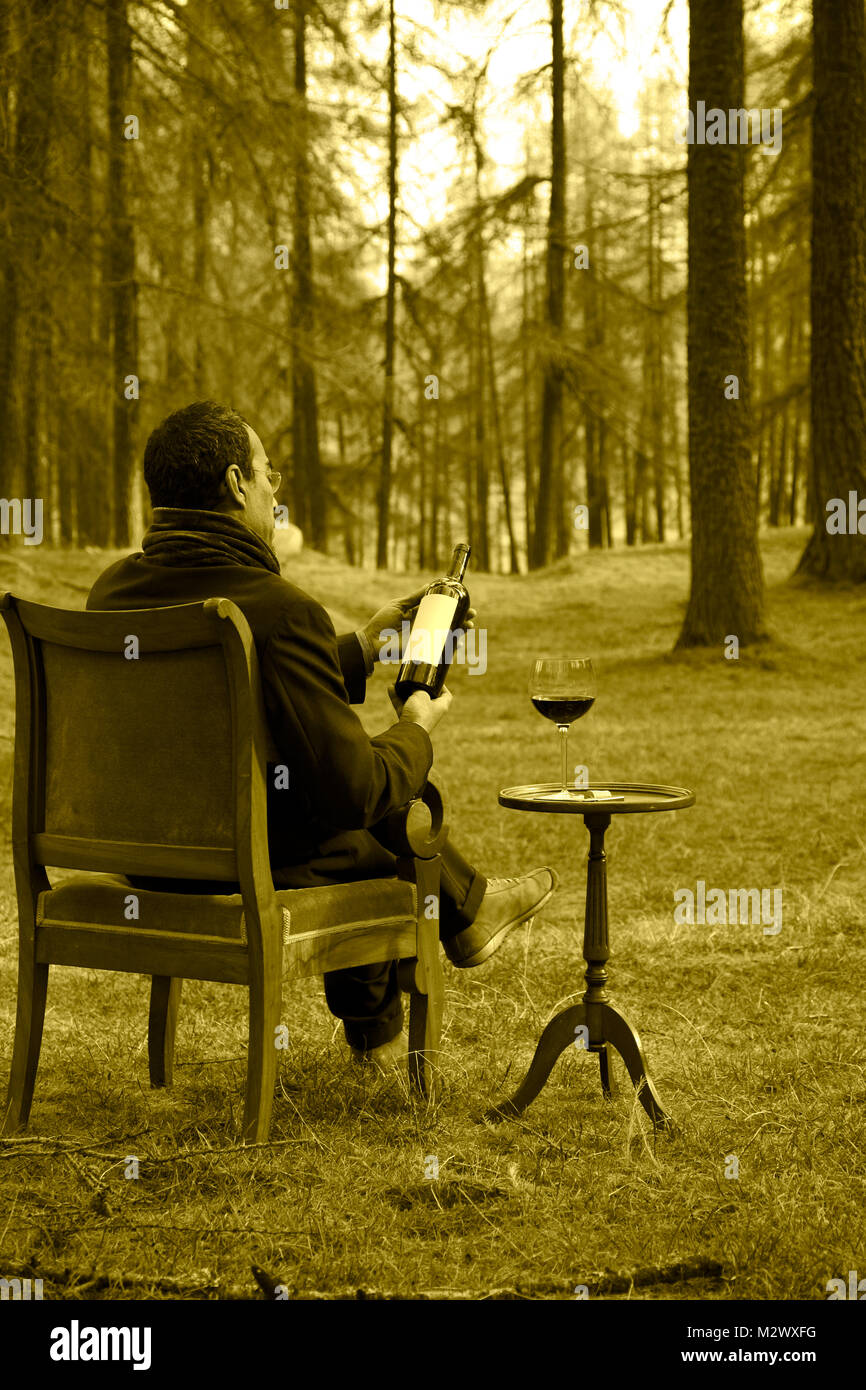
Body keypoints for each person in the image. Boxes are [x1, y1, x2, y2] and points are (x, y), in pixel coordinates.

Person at [87, 402, 558, 1068]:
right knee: (377, 832)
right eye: (269, 473)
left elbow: (240, 684)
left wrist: (365, 645)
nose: (278, 489)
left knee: (357, 818)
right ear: (236, 484)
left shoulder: (113, 594)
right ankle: (411, 992)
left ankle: (465, 920)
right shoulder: (278, 609)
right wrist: (416, 728)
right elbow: (357, 790)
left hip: (149, 857)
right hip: (242, 867)